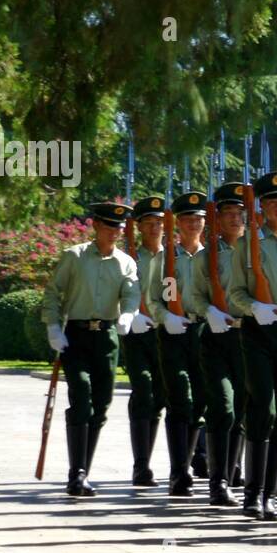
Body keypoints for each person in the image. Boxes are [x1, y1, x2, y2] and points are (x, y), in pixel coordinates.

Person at [42, 201, 141, 497]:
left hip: (107, 336)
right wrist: (53, 326)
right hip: (77, 335)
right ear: (96, 225)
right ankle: (77, 473)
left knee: (101, 403)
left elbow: (132, 294)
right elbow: (53, 292)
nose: (115, 232)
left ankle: (84, 470)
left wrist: (127, 315)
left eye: (119, 227)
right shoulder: (74, 257)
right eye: (110, 226)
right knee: (81, 397)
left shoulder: (126, 262)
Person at [228, 170, 277, 519]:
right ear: (262, 207)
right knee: (262, 408)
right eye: (272, 202)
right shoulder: (248, 244)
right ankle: (253, 494)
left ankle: (270, 492)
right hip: (257, 330)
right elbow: (235, 291)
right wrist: (253, 307)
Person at [184, 181, 250, 507]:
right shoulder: (207, 256)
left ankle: (233, 471)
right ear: (218, 219)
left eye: (240, 213)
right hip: (215, 337)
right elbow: (193, 295)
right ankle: (217, 482)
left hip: (248, 336)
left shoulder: (257, 251)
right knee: (221, 407)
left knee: (240, 409)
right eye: (228, 213)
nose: (235, 219)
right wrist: (207, 310)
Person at [145, 190, 209, 497]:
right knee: (179, 397)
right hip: (172, 333)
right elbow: (153, 298)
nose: (194, 224)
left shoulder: (212, 256)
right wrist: (164, 318)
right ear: (178, 224)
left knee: (200, 400)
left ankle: (186, 463)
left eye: (198, 219)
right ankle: (178, 471)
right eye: (188, 219)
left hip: (203, 332)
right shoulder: (164, 257)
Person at [122, 195, 168, 487]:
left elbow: (177, 293)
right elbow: (117, 293)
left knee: (160, 397)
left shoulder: (174, 257)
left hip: (165, 333)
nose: (154, 228)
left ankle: (147, 462)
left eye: (159, 222)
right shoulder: (127, 259)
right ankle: (141, 466)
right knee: (143, 391)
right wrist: (128, 315)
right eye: (148, 223)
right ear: (138, 226)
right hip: (138, 334)